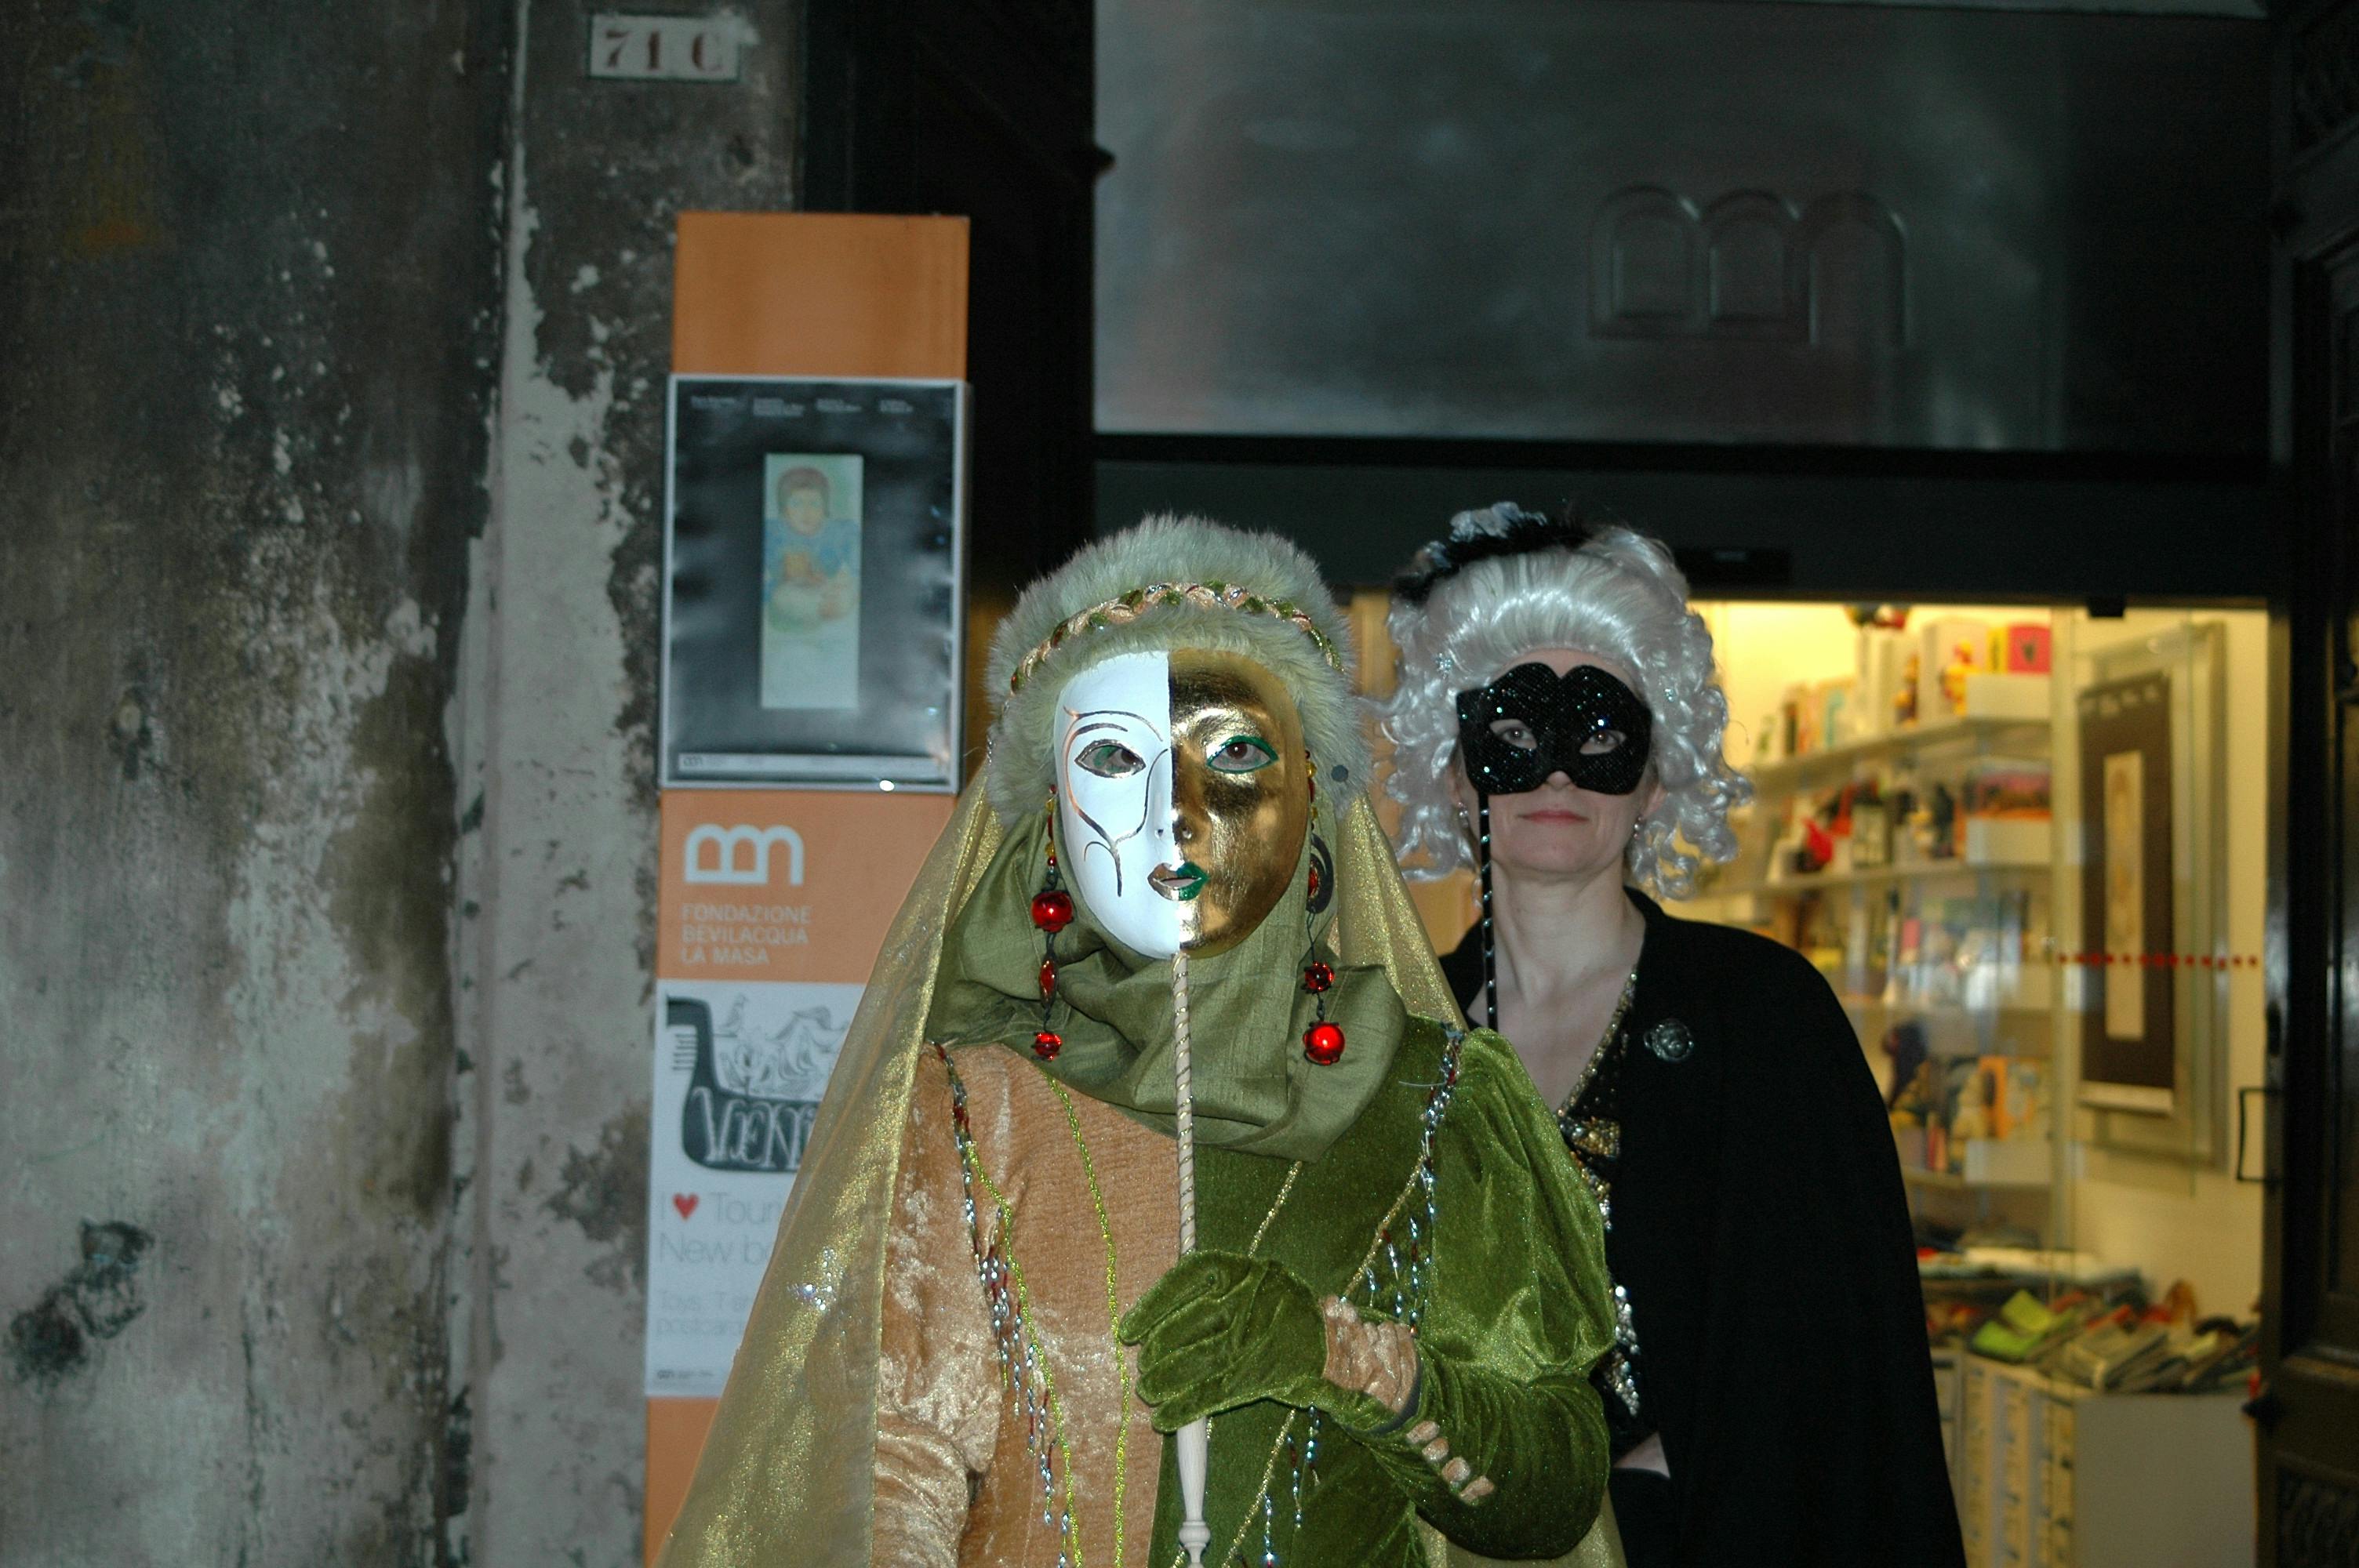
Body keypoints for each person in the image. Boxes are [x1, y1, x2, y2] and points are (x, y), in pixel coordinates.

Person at [657, 517, 1626, 1567]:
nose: (1177, 811)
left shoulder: (1437, 1101)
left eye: (1238, 753)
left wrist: (1345, 1361)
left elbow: (1550, 1490)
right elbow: (896, 1470)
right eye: (1118, 758)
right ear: (1050, 829)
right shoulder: (975, 1104)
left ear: (1312, 800)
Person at [1379, 504, 1965, 1568]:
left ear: (1655, 774)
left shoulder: (1764, 1022)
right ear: (1455, 766)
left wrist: (1658, 1475)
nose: (1557, 774)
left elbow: (1840, 1386)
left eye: (1602, 731)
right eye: (1513, 731)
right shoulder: (1393, 1038)